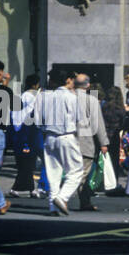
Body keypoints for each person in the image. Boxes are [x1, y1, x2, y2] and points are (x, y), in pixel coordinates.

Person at [37, 69, 84, 215]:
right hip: (66, 135)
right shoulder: (71, 97)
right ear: (68, 80)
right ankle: (62, 198)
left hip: (49, 136)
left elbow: (38, 121)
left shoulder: (44, 96)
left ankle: (53, 206)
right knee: (76, 171)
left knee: (53, 174)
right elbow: (79, 118)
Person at [73, 73, 106, 211]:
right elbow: (97, 124)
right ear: (87, 85)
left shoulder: (67, 98)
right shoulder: (91, 100)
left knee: (74, 173)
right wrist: (103, 142)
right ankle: (64, 198)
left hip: (69, 140)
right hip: (85, 142)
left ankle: (84, 202)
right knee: (83, 175)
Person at [0, 60, 11, 214]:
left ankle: (1, 202)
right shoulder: (5, 91)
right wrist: (6, 83)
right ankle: (1, 203)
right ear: (0, 72)